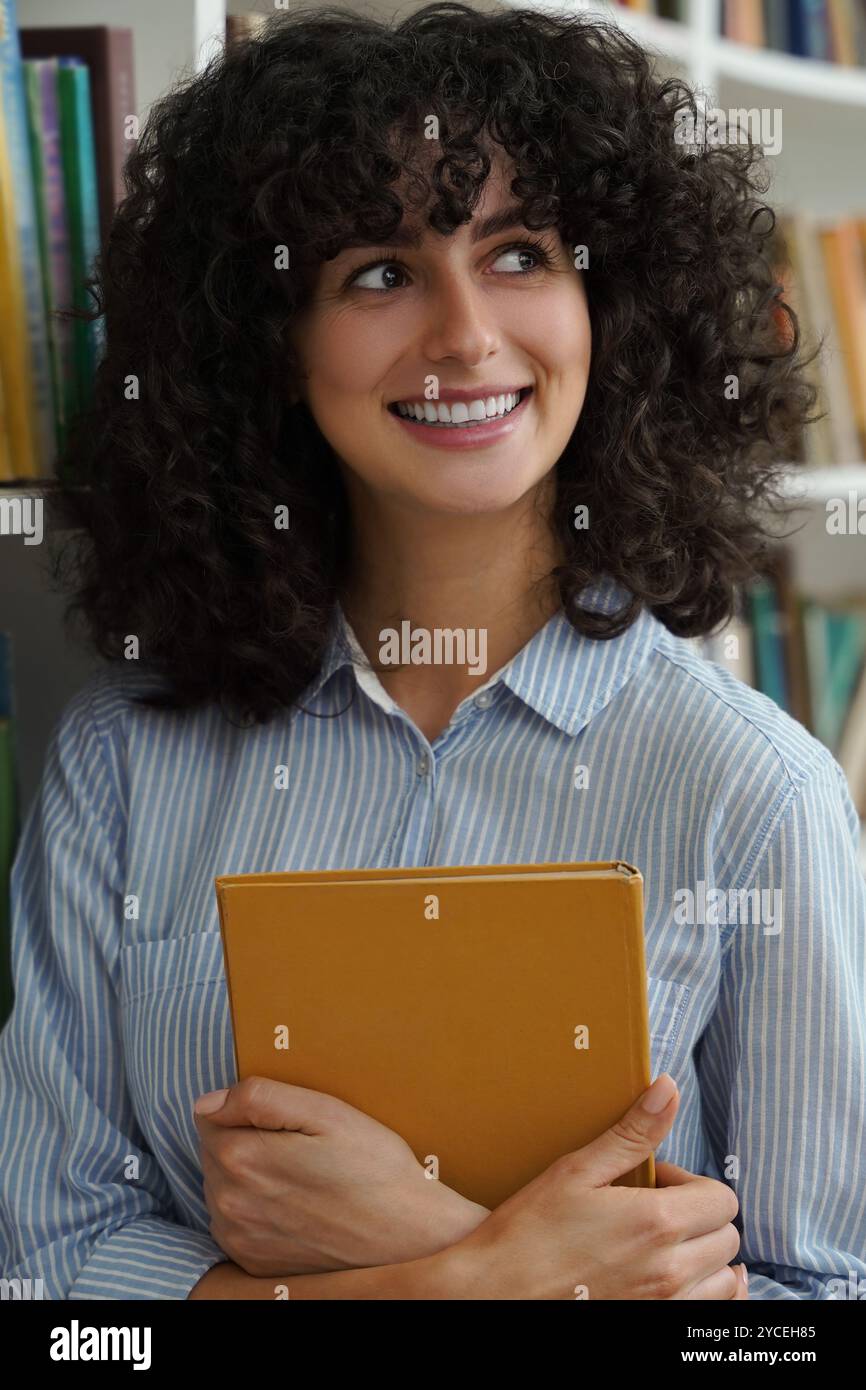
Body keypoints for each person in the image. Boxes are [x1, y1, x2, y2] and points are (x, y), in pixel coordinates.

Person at [0, 2, 863, 1301]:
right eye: (379, 273)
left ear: (606, 306)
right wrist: (474, 1278)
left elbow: (814, 1300)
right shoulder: (121, 762)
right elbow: (48, 1294)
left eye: (519, 254)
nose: (464, 335)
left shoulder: (756, 794)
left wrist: (401, 1236)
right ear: (270, 345)